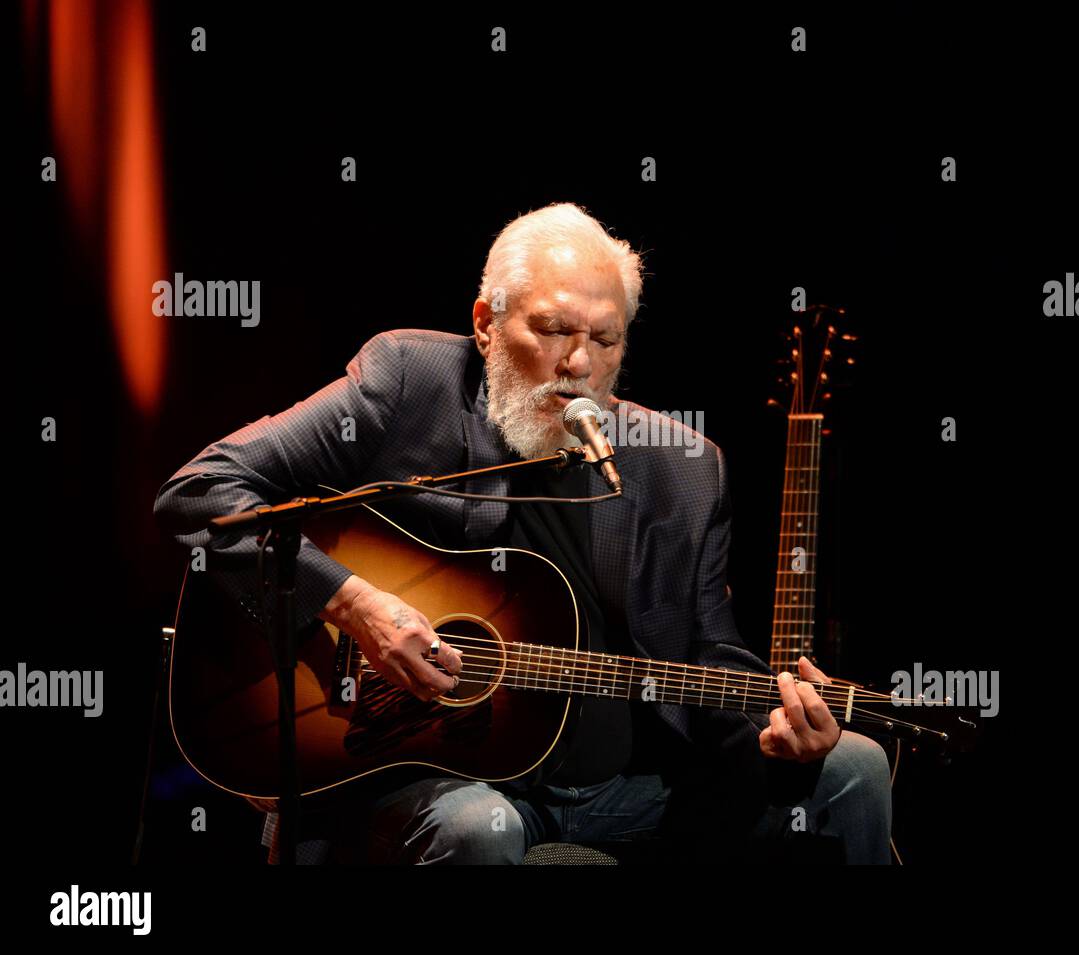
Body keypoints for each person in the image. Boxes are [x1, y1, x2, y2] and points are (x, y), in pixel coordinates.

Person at [154, 202, 892, 863]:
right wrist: (355, 604)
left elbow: (712, 655)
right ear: (485, 322)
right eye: (553, 329)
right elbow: (197, 494)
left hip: (627, 791)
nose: (579, 364)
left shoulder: (686, 468)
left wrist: (782, 734)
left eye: (606, 340)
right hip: (429, 779)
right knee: (484, 830)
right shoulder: (411, 382)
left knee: (856, 765)